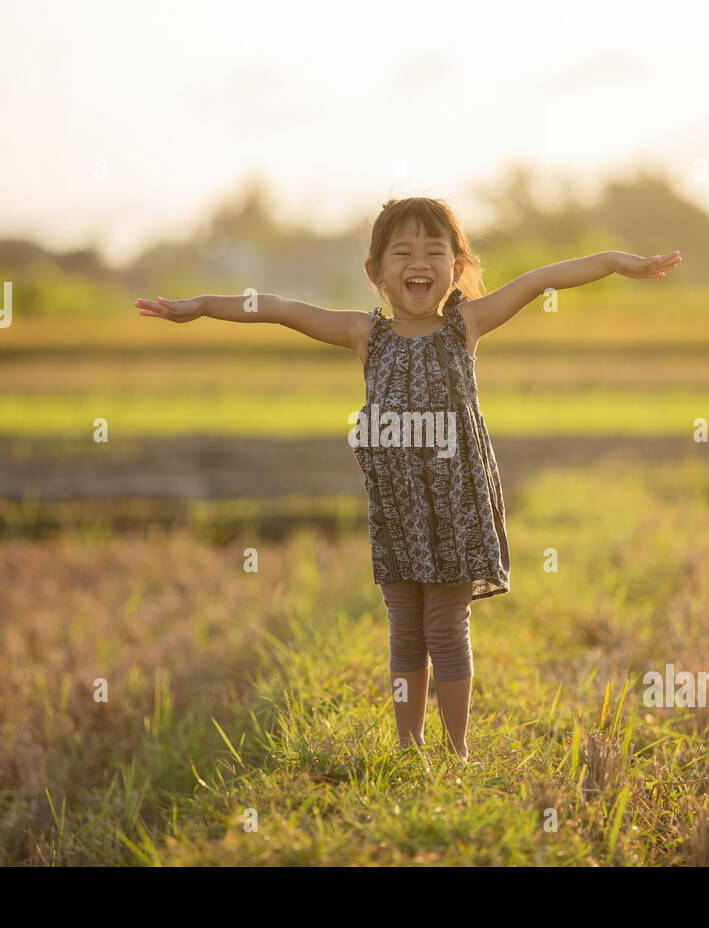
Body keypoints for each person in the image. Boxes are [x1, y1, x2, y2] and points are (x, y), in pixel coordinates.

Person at [135, 196, 681, 763]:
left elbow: (543, 277)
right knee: (404, 630)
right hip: (395, 508)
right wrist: (198, 305)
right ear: (375, 271)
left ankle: (456, 751)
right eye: (402, 252)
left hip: (455, 505)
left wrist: (619, 261)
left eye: (433, 251)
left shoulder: (466, 324)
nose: (418, 261)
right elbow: (277, 307)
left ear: (457, 267)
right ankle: (408, 748)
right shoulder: (363, 334)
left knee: (445, 625)